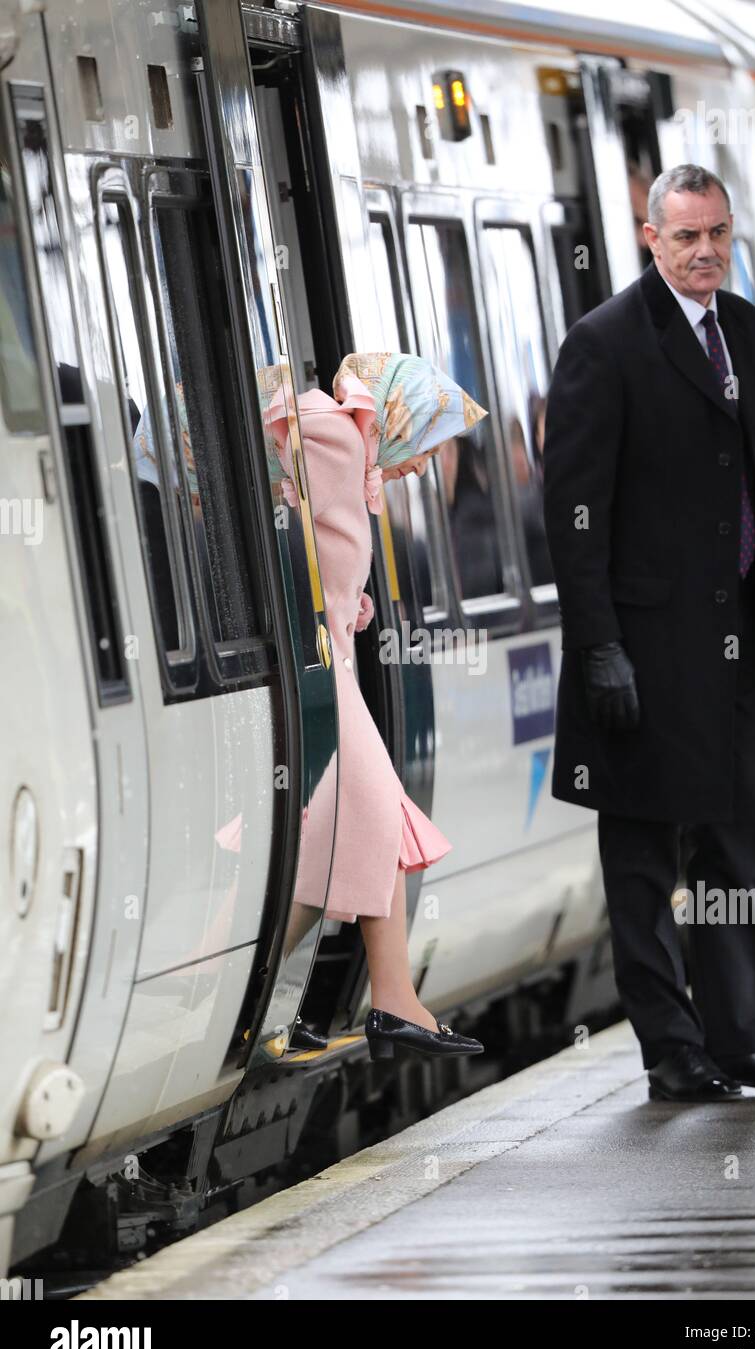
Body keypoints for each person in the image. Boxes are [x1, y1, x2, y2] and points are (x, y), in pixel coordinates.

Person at [542, 163, 755, 1102]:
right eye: (686, 237)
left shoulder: (744, 331)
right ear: (649, 238)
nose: (706, 250)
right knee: (642, 857)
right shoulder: (604, 345)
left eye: (719, 234)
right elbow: (572, 509)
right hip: (641, 647)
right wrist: (598, 646)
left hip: (739, 639)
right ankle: (672, 1050)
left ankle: (743, 1038)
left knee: (736, 847)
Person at [263, 350, 489, 1062]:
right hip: (322, 678)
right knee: (361, 823)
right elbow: (279, 444)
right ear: (397, 415)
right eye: (425, 443)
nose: (420, 468)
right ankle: (243, 985)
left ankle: (374, 1000)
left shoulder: (352, 453)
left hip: (337, 667)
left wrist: (346, 601)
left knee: (357, 829)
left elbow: (311, 543)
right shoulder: (332, 435)